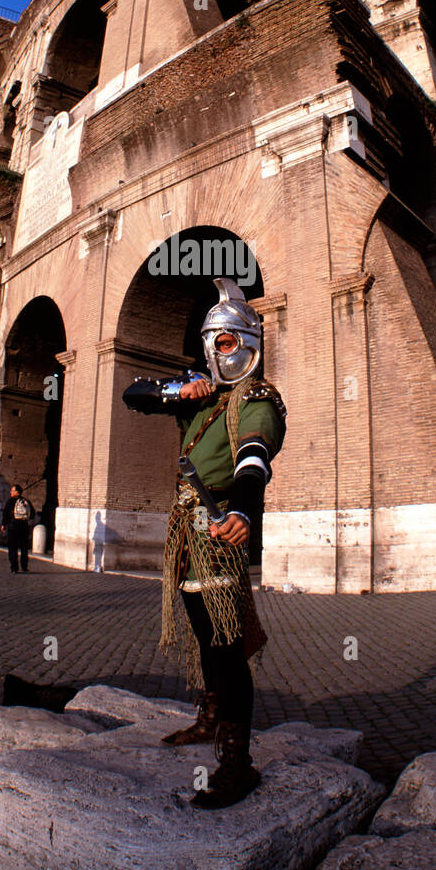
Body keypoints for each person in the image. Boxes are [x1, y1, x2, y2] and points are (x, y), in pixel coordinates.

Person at [122, 277, 286, 809]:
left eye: (228, 342)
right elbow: (132, 392)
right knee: (200, 630)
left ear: (248, 343)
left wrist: (242, 506)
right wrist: (178, 389)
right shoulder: (200, 399)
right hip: (186, 532)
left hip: (219, 526)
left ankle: (237, 760)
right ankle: (211, 716)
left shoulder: (257, 396)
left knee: (224, 642)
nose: (220, 352)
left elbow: (255, 453)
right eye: (213, 343)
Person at [2, 484, 35, 574]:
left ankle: (14, 568)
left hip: (13, 526)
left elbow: (5, 513)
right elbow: (32, 514)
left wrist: (3, 524)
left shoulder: (11, 501)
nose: (10, 492)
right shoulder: (26, 501)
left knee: (13, 547)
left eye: (12, 491)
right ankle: (24, 566)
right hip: (24, 526)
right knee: (24, 548)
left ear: (17, 492)